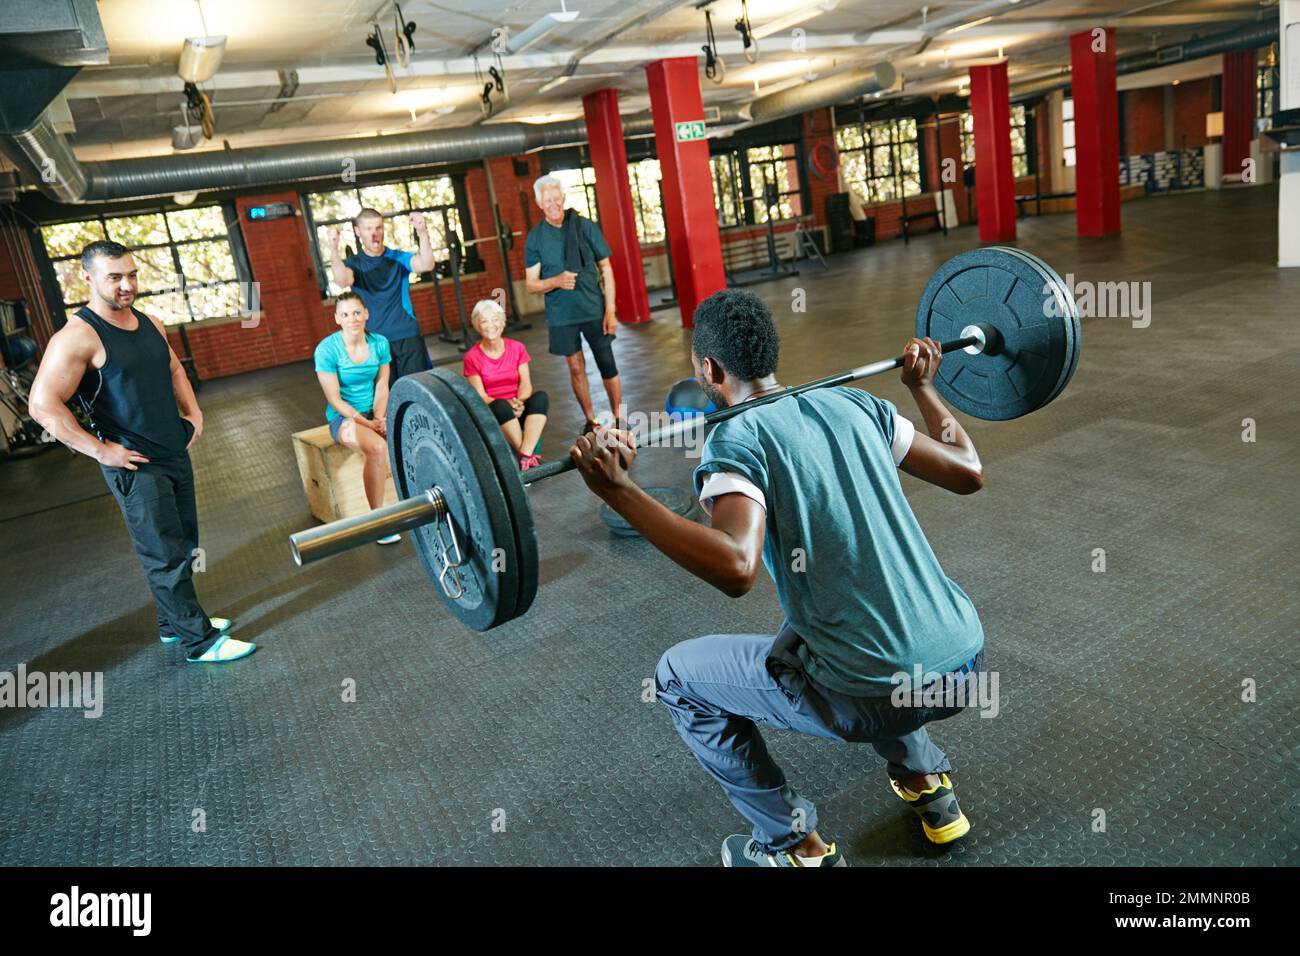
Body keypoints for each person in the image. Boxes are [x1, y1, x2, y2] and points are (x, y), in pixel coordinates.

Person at [569, 288, 988, 868]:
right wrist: (922, 387)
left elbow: (737, 567)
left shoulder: (736, 440)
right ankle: (929, 790)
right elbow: (968, 471)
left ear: (710, 370)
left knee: (677, 678)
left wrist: (622, 491)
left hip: (870, 692)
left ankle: (797, 848)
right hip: (963, 663)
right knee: (825, 626)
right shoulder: (856, 405)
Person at [28, 240, 252, 664]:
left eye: (131, 275)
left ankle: (173, 623)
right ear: (88, 279)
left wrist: (194, 412)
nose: (127, 284)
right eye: (115, 277)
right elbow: (42, 404)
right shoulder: (77, 337)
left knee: (184, 542)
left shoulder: (150, 322)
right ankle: (198, 642)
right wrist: (100, 451)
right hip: (134, 464)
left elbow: (172, 369)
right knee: (163, 553)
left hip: (173, 451)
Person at [523, 175, 622, 435]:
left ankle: (619, 416)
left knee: (607, 363)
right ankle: (591, 419)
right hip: (561, 315)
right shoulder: (535, 238)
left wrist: (610, 309)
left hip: (593, 308)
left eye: (557, 198)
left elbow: (606, 268)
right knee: (576, 366)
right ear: (539, 203)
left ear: (563, 198)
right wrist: (555, 280)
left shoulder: (585, 226)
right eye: (548, 200)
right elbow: (531, 284)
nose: (554, 204)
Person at [314, 292, 400, 543]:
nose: (352, 319)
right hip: (344, 419)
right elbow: (334, 399)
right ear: (337, 319)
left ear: (366, 314)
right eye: (345, 314)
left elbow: (383, 383)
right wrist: (369, 424)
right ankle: (379, 521)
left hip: (376, 411)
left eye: (356, 313)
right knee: (377, 447)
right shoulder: (327, 350)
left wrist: (381, 418)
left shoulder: (380, 343)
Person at [328, 207, 435, 381]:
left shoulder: (398, 258)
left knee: (418, 392)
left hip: (407, 336)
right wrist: (333, 248)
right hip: (375, 342)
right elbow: (342, 281)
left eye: (378, 228)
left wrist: (422, 232)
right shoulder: (354, 264)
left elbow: (426, 265)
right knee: (386, 397)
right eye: (368, 229)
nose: (374, 233)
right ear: (358, 231)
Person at [462, 299, 548, 471]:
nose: (491, 325)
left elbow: (526, 384)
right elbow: (481, 396)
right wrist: (509, 406)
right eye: (484, 321)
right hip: (495, 410)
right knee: (501, 405)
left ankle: (524, 455)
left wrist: (519, 403)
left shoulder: (517, 348)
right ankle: (528, 458)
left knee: (540, 398)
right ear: (477, 326)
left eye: (495, 319)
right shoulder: (471, 357)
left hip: (518, 405)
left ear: (502, 322)